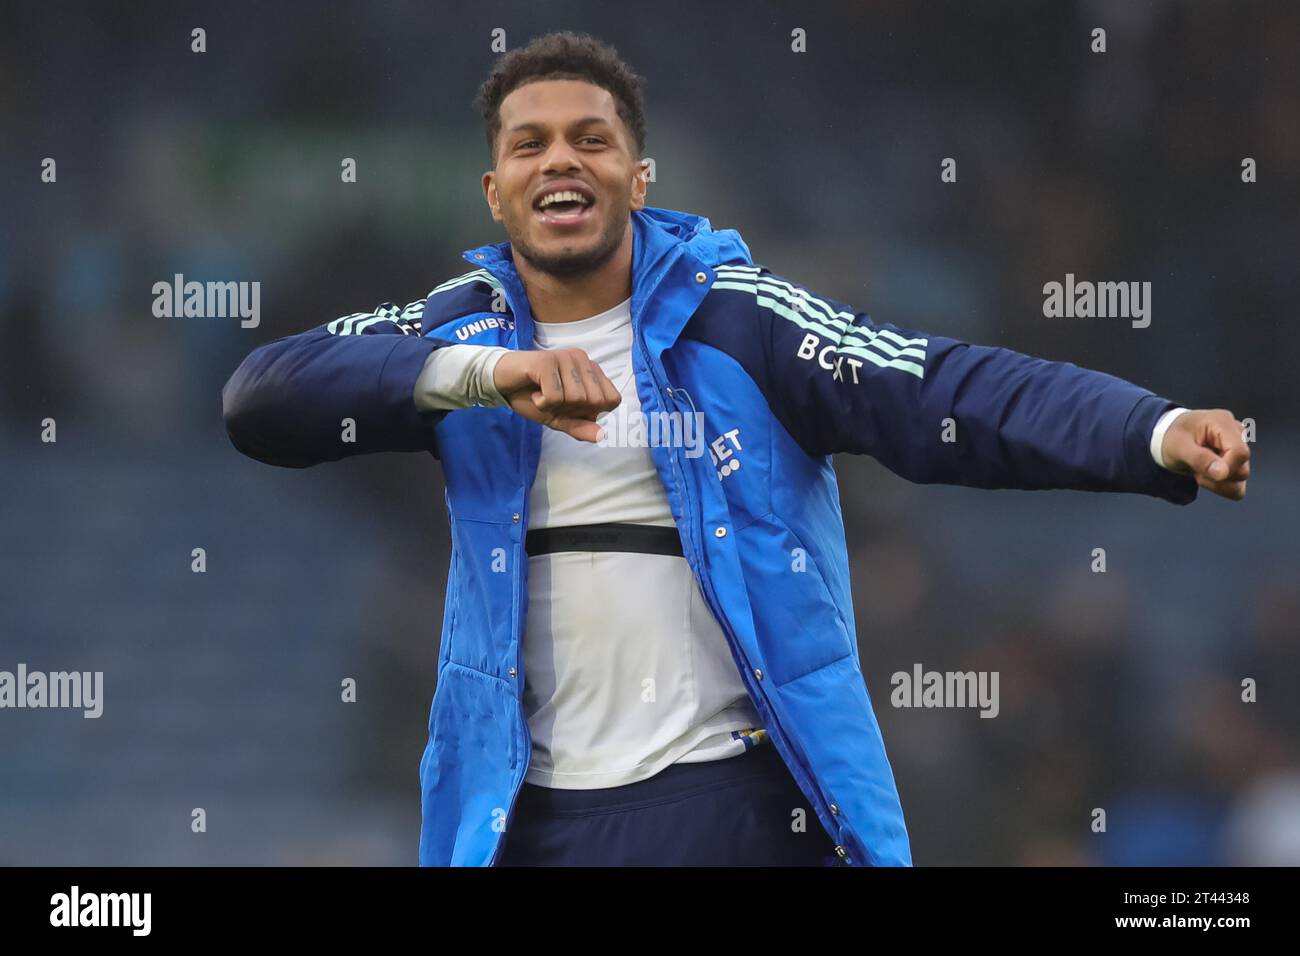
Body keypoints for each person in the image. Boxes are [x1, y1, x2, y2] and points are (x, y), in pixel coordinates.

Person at [221, 31, 1251, 867]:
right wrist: (482, 376)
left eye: (590, 138)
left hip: (731, 808)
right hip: (526, 819)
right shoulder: (460, 332)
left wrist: (1146, 428)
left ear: (638, 177)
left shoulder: (743, 323)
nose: (560, 159)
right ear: (495, 192)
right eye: (529, 144)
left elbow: (942, 387)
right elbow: (263, 395)